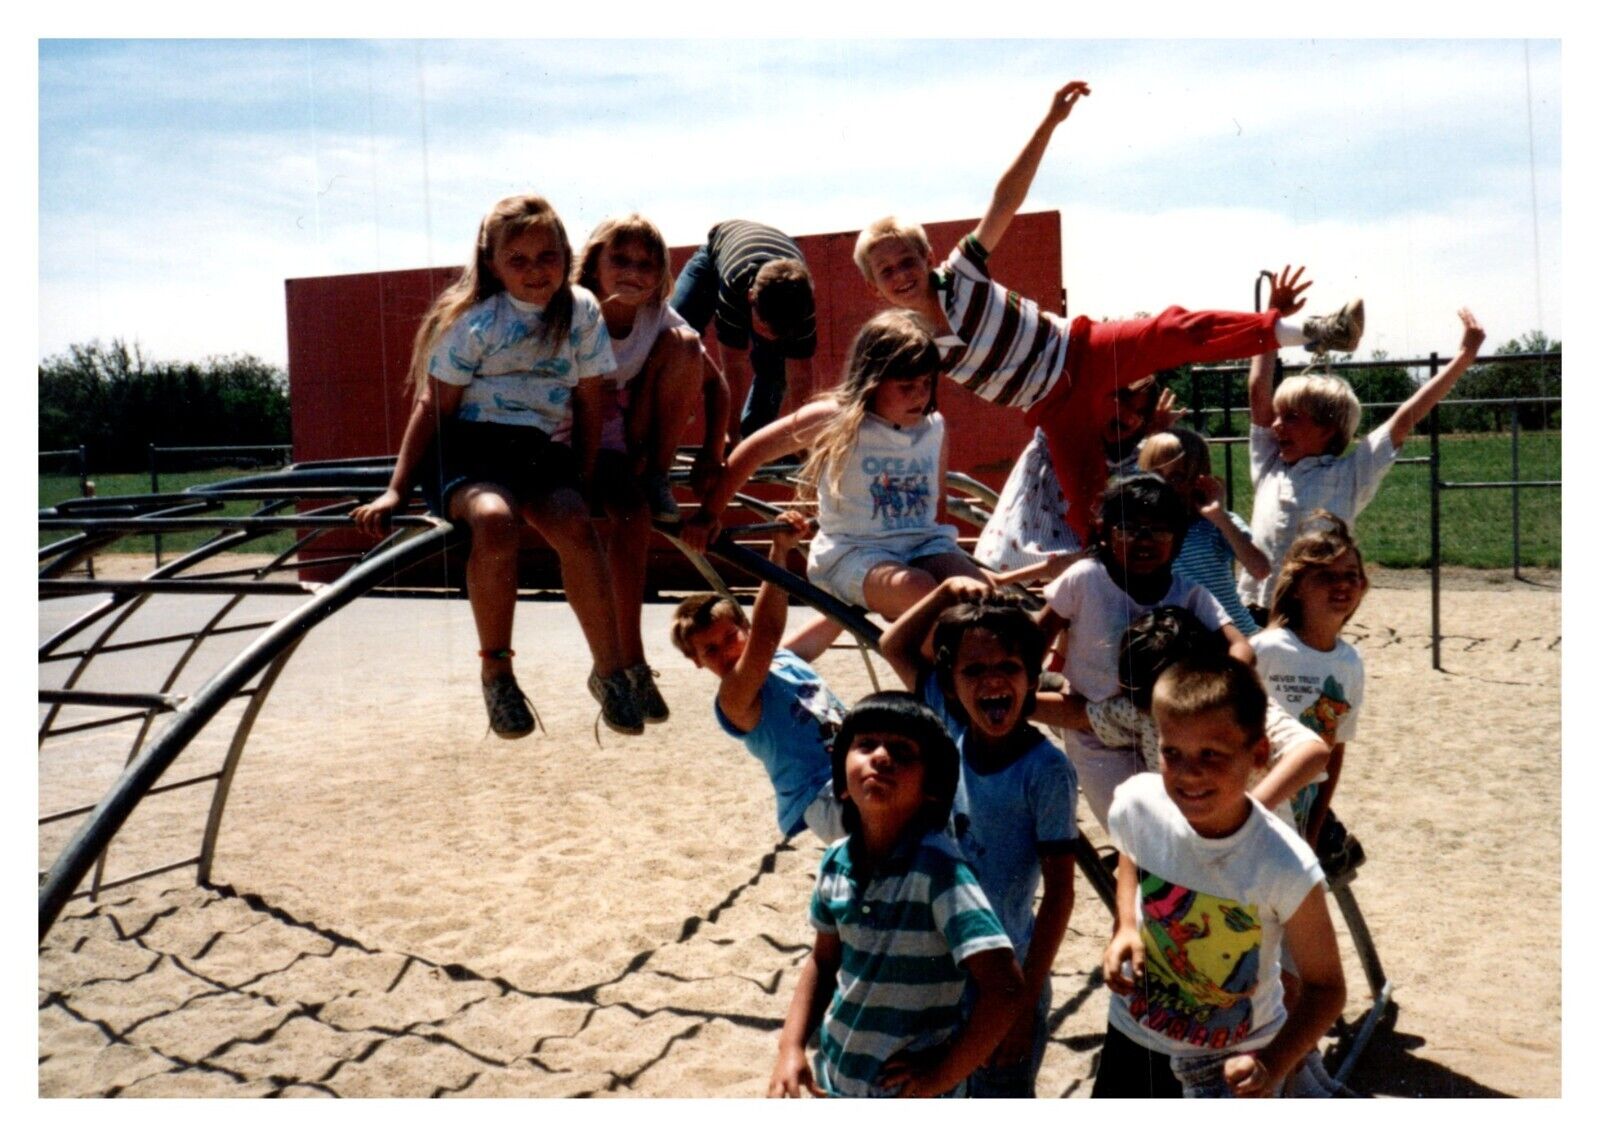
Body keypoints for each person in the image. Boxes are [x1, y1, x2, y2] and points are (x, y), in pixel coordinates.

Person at [853, 81, 1362, 544]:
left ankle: (1316, 331)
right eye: (886, 271)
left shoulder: (961, 271)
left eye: (906, 260)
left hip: (1081, 349)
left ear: (925, 256)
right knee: (1090, 511)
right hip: (1054, 408)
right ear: (875, 286)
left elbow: (1006, 198)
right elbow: (896, 397)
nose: (901, 274)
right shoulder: (913, 342)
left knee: (1175, 330)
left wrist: (1049, 123)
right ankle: (1106, 600)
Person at [351, 194, 642, 738]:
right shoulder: (476, 322)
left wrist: (578, 473)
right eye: (519, 260)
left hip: (536, 450)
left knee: (577, 527)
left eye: (547, 256)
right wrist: (396, 489)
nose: (536, 271)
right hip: (468, 449)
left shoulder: (580, 311)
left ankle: (610, 670)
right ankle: (497, 670)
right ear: (492, 263)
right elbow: (433, 406)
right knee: (492, 521)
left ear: (566, 254)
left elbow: (588, 398)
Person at [1096, 657, 1346, 1098]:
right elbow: (1131, 852)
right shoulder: (1140, 802)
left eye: (1211, 754)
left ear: (1259, 755)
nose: (1189, 772)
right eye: (1173, 752)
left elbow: (1326, 989)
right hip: (1134, 1032)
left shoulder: (1284, 864)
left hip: (1236, 1056)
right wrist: (1126, 927)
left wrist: (1273, 1063)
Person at [768, 692, 1025, 1098]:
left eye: (903, 752)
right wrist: (791, 1047)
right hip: (835, 1075)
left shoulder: (940, 875)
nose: (881, 757)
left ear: (934, 788)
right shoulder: (835, 862)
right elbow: (822, 960)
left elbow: (1005, 988)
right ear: (841, 780)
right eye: (866, 745)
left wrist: (940, 1075)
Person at [879, 580, 1078, 1097]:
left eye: (1008, 668)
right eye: (973, 671)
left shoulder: (1046, 771)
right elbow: (894, 646)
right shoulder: (950, 727)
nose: (992, 681)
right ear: (949, 685)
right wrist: (945, 593)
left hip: (1004, 980)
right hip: (940, 969)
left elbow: (1059, 894)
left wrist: (1019, 1004)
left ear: (1033, 677)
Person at [685, 310, 988, 620]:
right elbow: (754, 450)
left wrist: (944, 554)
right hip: (855, 553)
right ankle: (927, 664)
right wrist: (709, 513)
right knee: (923, 591)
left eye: (926, 383)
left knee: (980, 594)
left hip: (922, 547)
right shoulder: (836, 418)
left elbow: (935, 501)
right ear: (872, 381)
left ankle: (953, 661)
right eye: (906, 386)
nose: (920, 395)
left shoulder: (932, 427)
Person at [571, 214, 732, 724]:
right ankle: (616, 662)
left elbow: (717, 385)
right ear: (593, 263)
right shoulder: (571, 311)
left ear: (662, 274)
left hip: (617, 434)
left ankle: (632, 661)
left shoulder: (656, 316)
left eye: (646, 264)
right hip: (563, 431)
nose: (632, 272)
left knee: (633, 516)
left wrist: (711, 450)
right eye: (619, 259)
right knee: (575, 526)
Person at [1238, 305, 1486, 611]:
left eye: (1291, 418)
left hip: (1311, 615)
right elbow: (1257, 390)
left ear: (1328, 430)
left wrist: (1463, 358)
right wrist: (1271, 320)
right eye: (1278, 416)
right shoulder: (1269, 466)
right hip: (1251, 609)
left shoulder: (1350, 475)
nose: (1276, 425)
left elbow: (1403, 420)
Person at [1037, 474, 1252, 825]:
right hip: (1094, 725)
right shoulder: (1085, 579)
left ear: (1178, 539)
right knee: (1130, 824)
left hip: (1169, 729)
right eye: (1129, 528)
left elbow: (1240, 647)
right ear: (1105, 532)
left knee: (1179, 821)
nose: (1144, 539)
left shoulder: (1187, 593)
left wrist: (1212, 693)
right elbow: (1038, 637)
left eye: (1160, 530)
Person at [1035, 606, 1329, 828]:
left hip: (1258, 864)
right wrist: (1020, 706)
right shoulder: (1149, 713)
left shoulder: (1239, 708)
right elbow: (1084, 715)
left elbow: (1311, 752)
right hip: (1191, 859)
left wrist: (1244, 815)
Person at [669, 512, 848, 845]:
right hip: (822, 796)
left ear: (744, 629)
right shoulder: (735, 698)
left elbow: (838, 617)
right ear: (696, 661)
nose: (725, 651)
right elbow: (765, 636)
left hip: (854, 769)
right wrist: (778, 552)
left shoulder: (783, 658)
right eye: (710, 650)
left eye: (730, 636)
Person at [975, 378, 1182, 574]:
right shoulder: (1058, 432)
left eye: (1141, 413)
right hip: (1017, 554)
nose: (1130, 417)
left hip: (1073, 560)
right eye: (1123, 403)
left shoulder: (1128, 458)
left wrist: (1155, 434)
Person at [1252, 512, 1369, 848]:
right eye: (1326, 576)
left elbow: (1335, 748)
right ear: (1298, 585)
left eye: (1351, 575)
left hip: (1304, 806)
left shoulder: (1350, 663)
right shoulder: (1267, 649)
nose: (1342, 584)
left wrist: (1315, 827)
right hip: (1257, 797)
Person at [670, 219, 817, 440]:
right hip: (717, 254)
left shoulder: (803, 305)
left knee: (774, 372)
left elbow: (800, 378)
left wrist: (803, 441)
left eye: (779, 333)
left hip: (766, 251)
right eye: (764, 327)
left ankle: (752, 438)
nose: (770, 337)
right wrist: (728, 435)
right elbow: (733, 368)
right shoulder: (736, 286)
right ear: (750, 298)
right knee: (674, 334)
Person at [1138, 427, 1270, 634]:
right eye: (1156, 475)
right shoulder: (1142, 533)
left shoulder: (1214, 525)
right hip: (1181, 640)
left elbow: (1260, 569)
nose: (1163, 485)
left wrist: (1220, 518)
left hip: (1233, 635)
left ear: (1199, 480)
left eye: (1177, 477)